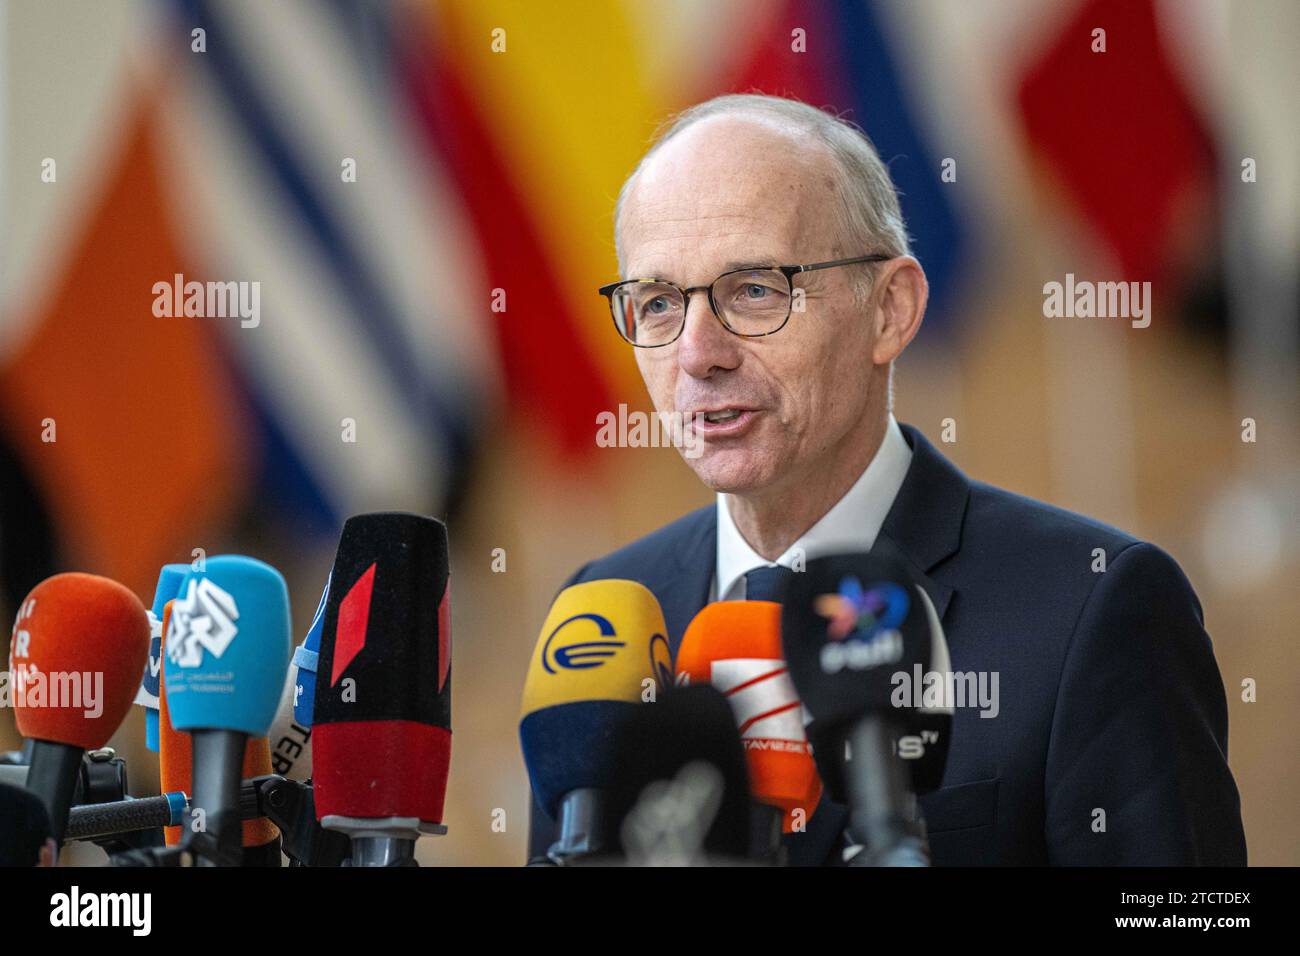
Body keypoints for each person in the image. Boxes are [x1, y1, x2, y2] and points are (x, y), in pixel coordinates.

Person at [528, 94, 1245, 866]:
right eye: (659, 303)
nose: (699, 353)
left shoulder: (1094, 609)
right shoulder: (600, 626)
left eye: (754, 290)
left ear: (889, 311)